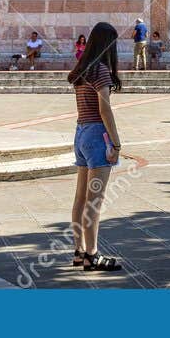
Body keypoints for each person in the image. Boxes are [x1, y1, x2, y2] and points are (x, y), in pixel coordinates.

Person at [67, 21, 124, 272]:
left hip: (80, 133)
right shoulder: (100, 71)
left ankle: (79, 251)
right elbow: (105, 109)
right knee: (95, 201)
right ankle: (93, 254)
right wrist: (117, 142)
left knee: (80, 198)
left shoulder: (82, 70)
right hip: (96, 135)